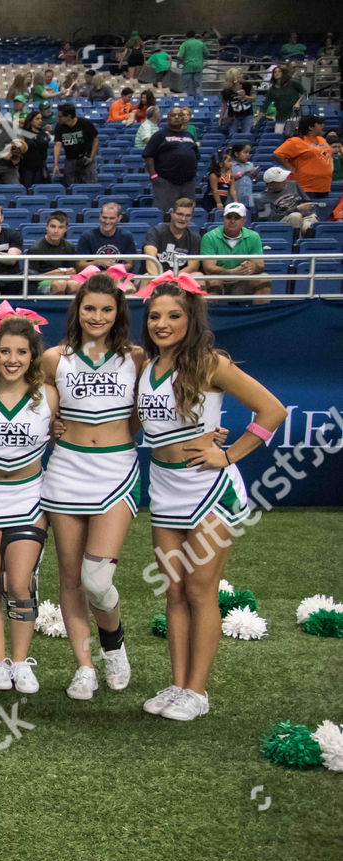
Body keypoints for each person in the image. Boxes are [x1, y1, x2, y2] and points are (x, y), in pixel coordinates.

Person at [136, 272, 283, 721]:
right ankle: (178, 684)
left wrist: (231, 453)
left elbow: (272, 409)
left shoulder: (209, 363)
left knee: (200, 590)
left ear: (190, 318)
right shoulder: (145, 363)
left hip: (209, 489)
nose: (163, 324)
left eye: (174, 316)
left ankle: (198, 692)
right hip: (163, 486)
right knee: (174, 592)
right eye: (156, 316)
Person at [39, 271, 141, 699]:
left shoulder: (137, 357)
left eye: (106, 309)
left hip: (116, 469)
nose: (97, 316)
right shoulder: (54, 358)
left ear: (118, 313)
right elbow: (38, 415)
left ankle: (113, 643)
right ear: (77, 311)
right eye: (89, 308)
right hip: (66, 471)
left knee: (96, 580)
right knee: (68, 577)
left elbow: (154, 408)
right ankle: (84, 666)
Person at [0, 311, 56, 694]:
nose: (12, 359)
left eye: (21, 351)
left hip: (29, 496)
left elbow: (85, 426)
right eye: (5, 351)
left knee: (19, 584)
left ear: (33, 356)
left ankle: (21, 661)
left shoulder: (48, 395)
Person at [199, 203, 271, 298]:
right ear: (223, 219)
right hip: (219, 277)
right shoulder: (209, 237)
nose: (232, 221)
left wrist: (252, 267)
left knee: (264, 279)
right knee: (213, 282)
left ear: (244, 220)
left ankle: (260, 312)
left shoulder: (254, 236)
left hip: (243, 279)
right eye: (229, 217)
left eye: (237, 218)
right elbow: (209, 269)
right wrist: (232, 272)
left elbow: (260, 265)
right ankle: (212, 312)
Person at [143, 107, 200, 212]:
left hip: (187, 183)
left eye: (180, 115)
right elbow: (149, 156)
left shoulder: (189, 135)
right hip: (166, 182)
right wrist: (154, 176)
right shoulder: (159, 135)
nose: (177, 117)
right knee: (165, 214)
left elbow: (196, 155)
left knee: (186, 214)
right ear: (168, 118)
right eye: (173, 115)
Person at [274, 116, 333, 199]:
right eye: (319, 124)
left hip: (324, 185)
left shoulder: (322, 139)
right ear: (310, 127)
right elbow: (277, 154)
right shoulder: (296, 141)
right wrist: (290, 168)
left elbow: (325, 154)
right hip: (305, 187)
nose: (322, 125)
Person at [253, 166, 320, 237]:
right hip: (283, 221)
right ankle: (295, 244)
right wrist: (297, 209)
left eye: (284, 178)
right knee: (295, 216)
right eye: (281, 180)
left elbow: (306, 201)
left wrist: (309, 207)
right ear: (270, 185)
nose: (285, 181)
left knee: (308, 226)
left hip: (304, 216)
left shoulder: (293, 184)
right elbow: (271, 219)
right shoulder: (261, 199)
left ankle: (307, 245)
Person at [143, 198, 202, 275]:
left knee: (198, 276)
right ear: (172, 213)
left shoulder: (194, 238)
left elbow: (193, 267)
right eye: (179, 214)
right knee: (148, 276)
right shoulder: (156, 232)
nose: (183, 219)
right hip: (156, 275)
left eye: (187, 215)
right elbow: (151, 259)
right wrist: (161, 280)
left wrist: (174, 279)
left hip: (179, 277)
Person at [76, 203, 138, 268]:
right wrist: (97, 262)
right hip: (93, 276)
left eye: (112, 218)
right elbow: (80, 265)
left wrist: (115, 267)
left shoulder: (126, 236)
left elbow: (130, 265)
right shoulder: (87, 236)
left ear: (119, 218)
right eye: (104, 217)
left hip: (118, 276)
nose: (107, 221)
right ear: (100, 216)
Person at [52, 103, 99, 185]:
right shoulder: (59, 127)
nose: (58, 118)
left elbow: (95, 140)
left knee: (89, 184)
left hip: (86, 159)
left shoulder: (85, 123)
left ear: (69, 116)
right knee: (70, 185)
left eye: (60, 116)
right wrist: (56, 164)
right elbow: (58, 145)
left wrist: (91, 157)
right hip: (70, 160)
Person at [176, 30, 215, 98]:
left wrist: (183, 62)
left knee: (186, 87)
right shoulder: (201, 43)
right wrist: (201, 58)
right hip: (198, 67)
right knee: (198, 86)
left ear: (186, 36)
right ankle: (200, 103)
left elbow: (179, 56)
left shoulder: (184, 44)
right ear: (194, 35)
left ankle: (187, 101)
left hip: (187, 67)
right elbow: (207, 53)